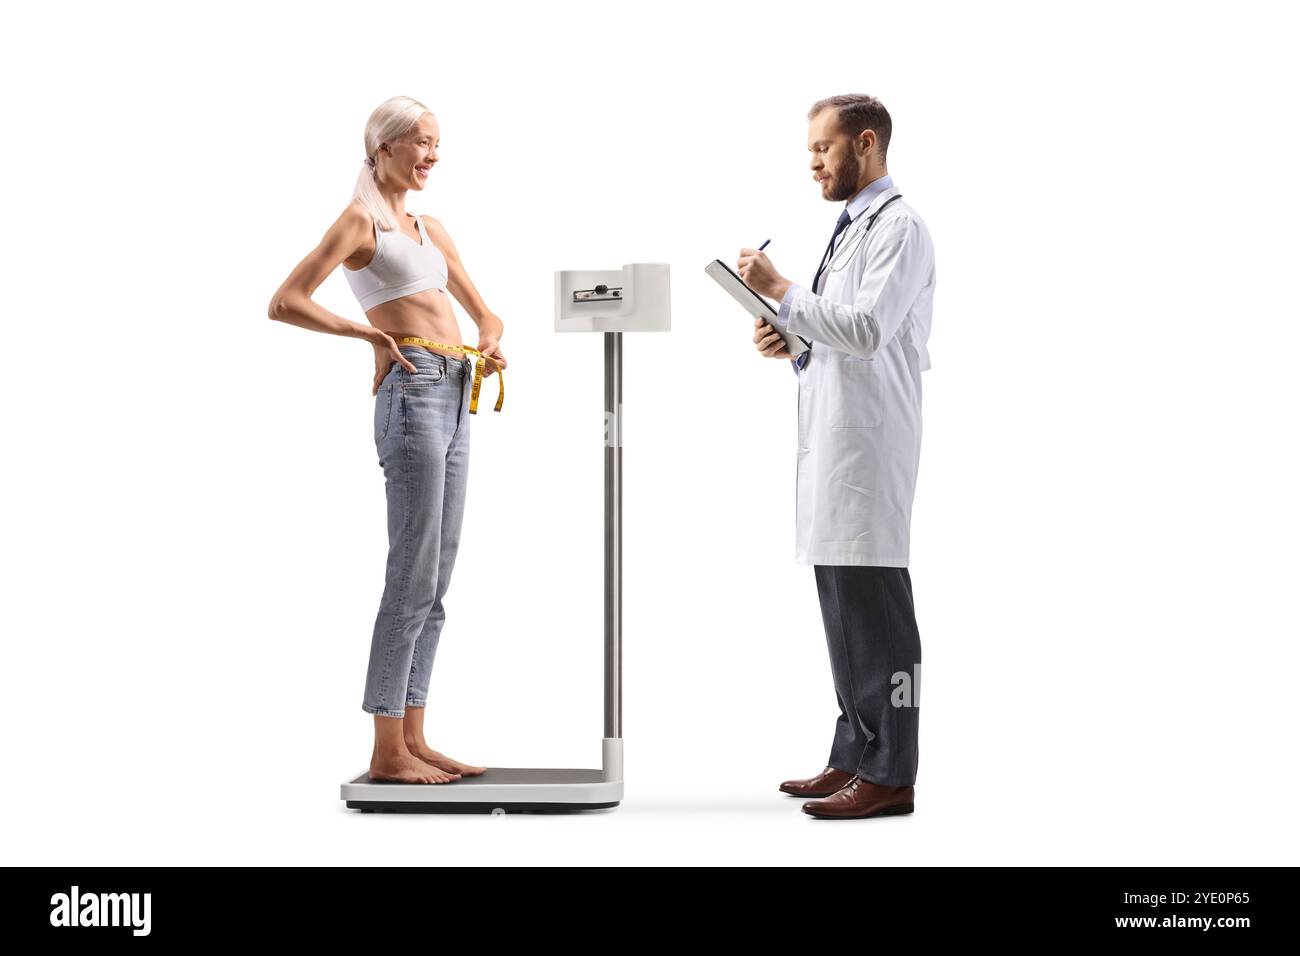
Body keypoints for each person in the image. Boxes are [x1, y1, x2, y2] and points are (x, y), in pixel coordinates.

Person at [268, 96, 507, 784]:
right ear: (383, 147)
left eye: (437, 145)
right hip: (414, 393)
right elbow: (287, 300)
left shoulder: (429, 228)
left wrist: (488, 341)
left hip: (457, 389)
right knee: (409, 573)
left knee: (436, 577)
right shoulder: (360, 222)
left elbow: (485, 312)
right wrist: (366, 333)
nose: (432, 155)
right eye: (421, 143)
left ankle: (415, 737)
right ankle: (385, 750)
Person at [738, 94, 935, 819]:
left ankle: (891, 774)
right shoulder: (851, 227)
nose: (813, 162)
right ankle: (854, 754)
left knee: (878, 613)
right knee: (843, 607)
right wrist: (790, 337)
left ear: (866, 143)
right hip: (833, 442)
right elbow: (834, 335)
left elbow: (869, 329)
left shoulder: (901, 228)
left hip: (871, 446)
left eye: (823, 148)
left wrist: (782, 290)